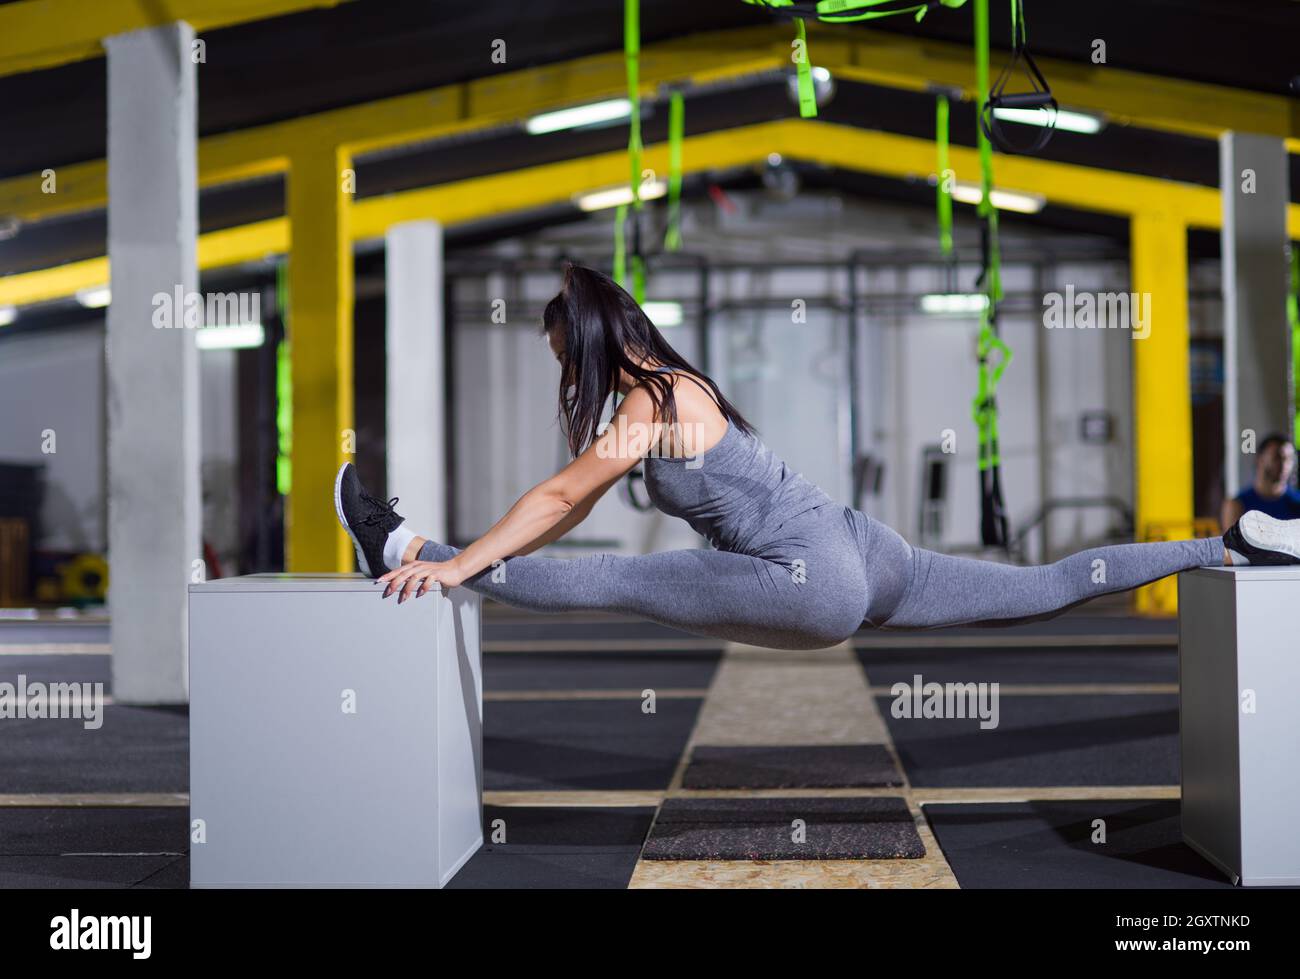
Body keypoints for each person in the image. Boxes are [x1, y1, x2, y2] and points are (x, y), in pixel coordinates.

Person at [332, 263, 1300, 651]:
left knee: (618, 579)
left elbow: (559, 495)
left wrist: (458, 562)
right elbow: (574, 499)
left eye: (559, 355)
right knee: (1039, 583)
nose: (561, 373)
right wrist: (460, 553)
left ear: (585, 340)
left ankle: (404, 548)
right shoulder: (682, 383)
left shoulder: (649, 400)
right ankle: (1230, 548)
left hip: (813, 576)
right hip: (860, 546)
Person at [1220, 433, 1300, 529]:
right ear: (1260, 459)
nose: (1284, 465)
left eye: (1289, 459)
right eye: (1277, 457)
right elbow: (1230, 543)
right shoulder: (1236, 506)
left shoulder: (1297, 503)